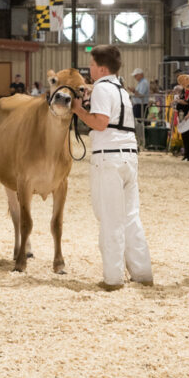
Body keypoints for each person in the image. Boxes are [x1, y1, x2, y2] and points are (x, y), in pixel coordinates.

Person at [70, 45, 153, 291]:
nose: (89, 69)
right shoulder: (121, 90)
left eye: (92, 65)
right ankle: (142, 273)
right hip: (129, 156)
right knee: (130, 217)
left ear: (102, 68)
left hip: (108, 158)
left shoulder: (102, 89)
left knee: (110, 218)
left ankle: (113, 278)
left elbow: (100, 123)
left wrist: (78, 110)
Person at [173, 75, 189, 162]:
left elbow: (187, 102)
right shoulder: (184, 90)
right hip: (182, 114)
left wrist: (178, 100)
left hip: (188, 114)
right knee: (184, 135)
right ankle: (186, 155)